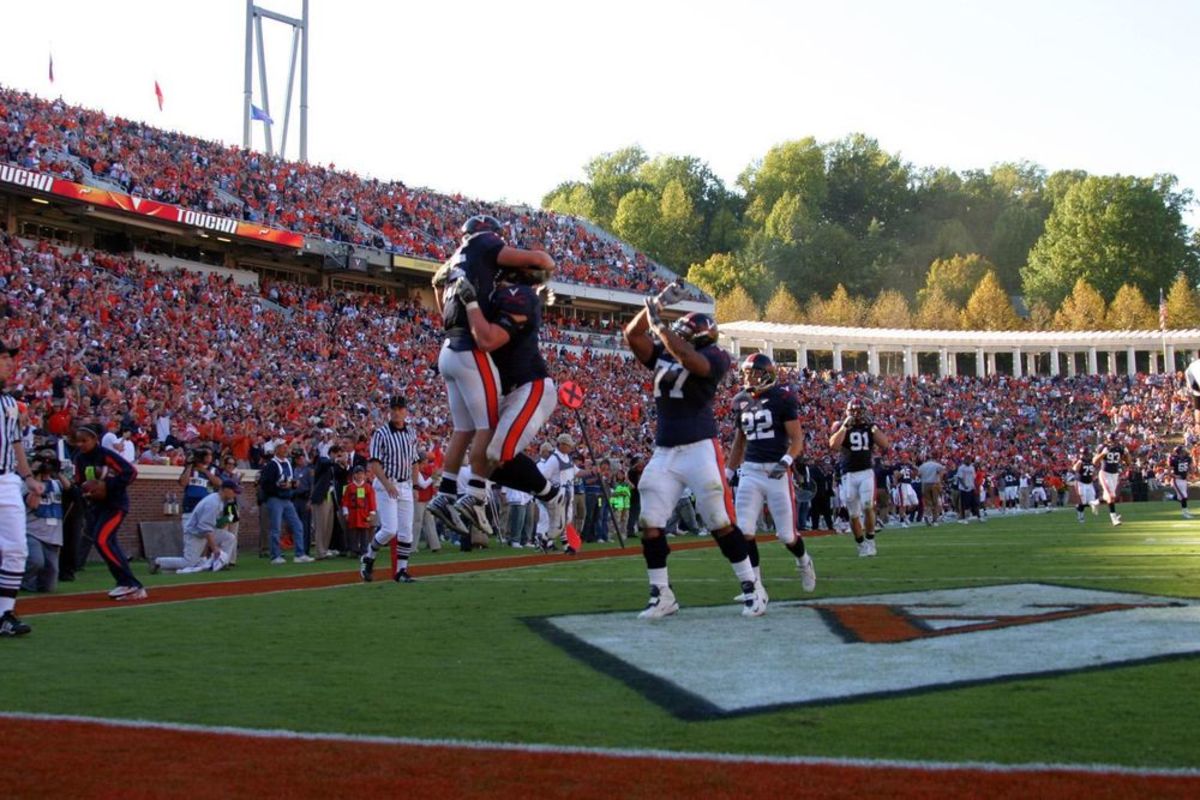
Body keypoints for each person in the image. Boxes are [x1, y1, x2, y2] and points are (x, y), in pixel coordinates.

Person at [623, 283, 765, 620]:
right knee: (650, 520)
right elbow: (632, 335)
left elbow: (691, 360)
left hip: (700, 447)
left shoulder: (716, 356)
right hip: (665, 450)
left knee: (718, 520)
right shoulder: (664, 351)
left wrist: (660, 327)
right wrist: (656, 305)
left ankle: (752, 588)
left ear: (701, 337)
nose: (678, 333)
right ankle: (662, 594)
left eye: (686, 331)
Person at [426, 215, 555, 536]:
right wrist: (474, 303)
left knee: (464, 430)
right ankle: (476, 494)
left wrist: (466, 301)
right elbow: (543, 261)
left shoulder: (459, 261)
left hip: (448, 348)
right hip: (470, 350)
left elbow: (443, 301)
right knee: (486, 427)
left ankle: (446, 492)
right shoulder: (487, 247)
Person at [449, 265, 567, 545]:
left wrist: (472, 303)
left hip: (530, 386)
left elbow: (488, 340)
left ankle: (545, 496)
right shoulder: (498, 299)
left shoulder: (515, 294)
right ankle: (549, 495)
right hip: (507, 392)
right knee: (483, 455)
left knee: (495, 452)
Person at [727, 353, 815, 592]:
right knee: (744, 530)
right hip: (750, 471)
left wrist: (785, 462)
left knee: (787, 536)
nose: (748, 378)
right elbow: (739, 442)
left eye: (753, 373)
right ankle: (755, 586)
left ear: (767, 374)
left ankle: (804, 561)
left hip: (776, 472)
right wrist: (728, 472)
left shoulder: (782, 398)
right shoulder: (741, 400)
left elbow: (797, 439)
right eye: (746, 373)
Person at [73, 422, 146, 600]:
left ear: (94, 439)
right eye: (77, 441)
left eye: (84, 440)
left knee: (102, 540)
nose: (80, 444)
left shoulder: (105, 455)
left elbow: (130, 472)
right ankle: (129, 584)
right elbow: (80, 481)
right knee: (107, 542)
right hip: (97, 506)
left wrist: (107, 485)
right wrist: (86, 492)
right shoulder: (80, 458)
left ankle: (129, 583)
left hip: (115, 504)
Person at [360, 396, 429, 583]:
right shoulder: (381, 433)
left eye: (400, 409)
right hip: (387, 484)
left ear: (406, 411)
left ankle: (401, 571)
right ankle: (369, 556)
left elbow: (414, 462)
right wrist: (387, 484)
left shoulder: (411, 433)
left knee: (406, 531)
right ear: (389, 411)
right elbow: (375, 463)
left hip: (405, 485)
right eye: (394, 409)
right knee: (390, 529)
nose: (397, 412)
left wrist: (415, 485)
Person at [1, 339, 43, 634]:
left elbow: (16, 443)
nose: (10, 363)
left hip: (6, 479)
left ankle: (5, 614)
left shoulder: (10, 403)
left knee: (17, 548)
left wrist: (28, 478)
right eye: (4, 358)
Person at [829, 398, 891, 556]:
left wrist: (872, 427)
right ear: (847, 412)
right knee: (853, 514)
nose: (856, 414)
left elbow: (885, 444)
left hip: (866, 472)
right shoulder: (840, 425)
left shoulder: (870, 427)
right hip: (848, 474)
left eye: (859, 411)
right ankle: (861, 544)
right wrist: (844, 426)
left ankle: (870, 540)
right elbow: (833, 445)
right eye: (853, 411)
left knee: (867, 507)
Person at [152, 479, 239, 573]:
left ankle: (221, 563)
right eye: (234, 491)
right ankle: (158, 561)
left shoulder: (219, 500)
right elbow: (205, 528)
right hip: (195, 533)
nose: (235, 494)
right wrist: (215, 549)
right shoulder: (213, 503)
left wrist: (224, 521)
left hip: (203, 532)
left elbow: (213, 525)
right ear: (226, 489)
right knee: (188, 563)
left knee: (229, 538)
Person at [260, 444, 313, 564]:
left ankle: (299, 554)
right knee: (276, 528)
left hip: (287, 498)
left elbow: (289, 480)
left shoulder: (288, 463)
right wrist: (279, 486)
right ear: (277, 450)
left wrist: (293, 484)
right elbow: (265, 484)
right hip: (275, 498)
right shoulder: (271, 465)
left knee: (298, 525)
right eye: (283, 448)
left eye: (286, 448)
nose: (286, 450)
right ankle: (275, 555)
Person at [22, 455, 65, 593]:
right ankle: (21, 581)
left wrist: (58, 471)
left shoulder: (57, 484)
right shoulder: (25, 485)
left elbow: (71, 490)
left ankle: (35, 587)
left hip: (53, 533)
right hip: (32, 530)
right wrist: (37, 480)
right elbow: (33, 504)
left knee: (50, 579)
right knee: (36, 561)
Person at [1094, 432, 1130, 526]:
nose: (1113, 442)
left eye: (1114, 440)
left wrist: (1127, 454)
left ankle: (1096, 502)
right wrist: (1103, 454)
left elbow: (1128, 463)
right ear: (1107, 440)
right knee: (1110, 496)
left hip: (1114, 475)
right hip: (1105, 473)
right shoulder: (1103, 447)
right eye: (1111, 440)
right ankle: (1114, 519)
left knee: (1111, 497)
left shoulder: (1120, 448)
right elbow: (1094, 461)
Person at [177, 447, 220, 525]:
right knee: (189, 530)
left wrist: (204, 471)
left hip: (207, 508)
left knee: (206, 531)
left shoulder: (213, 469)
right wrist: (189, 465)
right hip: (190, 507)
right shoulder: (190, 468)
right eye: (205, 454)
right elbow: (183, 483)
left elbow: (219, 483)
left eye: (210, 454)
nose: (208, 456)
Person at [340, 464, 376, 557]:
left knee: (364, 533)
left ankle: (364, 550)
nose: (359, 476)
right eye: (357, 474)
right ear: (354, 475)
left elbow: (372, 501)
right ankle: (354, 550)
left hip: (364, 513)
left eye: (361, 473)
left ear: (364, 475)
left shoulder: (368, 487)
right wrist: (346, 512)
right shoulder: (349, 487)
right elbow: (345, 501)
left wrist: (372, 512)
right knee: (353, 532)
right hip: (353, 513)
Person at [1072, 448, 1101, 522]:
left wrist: (1094, 476)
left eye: (1084, 454)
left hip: (1089, 483)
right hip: (1081, 483)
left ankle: (1078, 507)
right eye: (1082, 454)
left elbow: (1093, 470)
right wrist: (1079, 462)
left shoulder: (1091, 461)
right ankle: (1080, 516)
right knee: (1083, 501)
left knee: (1092, 500)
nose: (1083, 455)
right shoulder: (1080, 461)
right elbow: (1074, 469)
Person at [917, 453, 945, 526]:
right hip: (934, 483)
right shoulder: (937, 465)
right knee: (935, 502)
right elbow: (942, 472)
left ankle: (926, 514)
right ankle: (934, 520)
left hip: (925, 484)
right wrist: (939, 481)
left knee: (928, 502)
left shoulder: (922, 466)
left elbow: (919, 475)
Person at [1167, 444, 1193, 519]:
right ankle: (1185, 513)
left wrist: (1189, 473)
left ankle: (1170, 496)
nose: (1185, 451)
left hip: (1184, 481)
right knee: (1184, 497)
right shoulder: (1174, 459)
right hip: (1177, 481)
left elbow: (1191, 469)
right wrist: (1176, 476)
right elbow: (1169, 472)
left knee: (1181, 498)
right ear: (1179, 451)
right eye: (1183, 450)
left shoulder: (1188, 458)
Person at [1183, 349, 1200, 432]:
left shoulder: (1192, 365)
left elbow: (1187, 373)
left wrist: (1190, 386)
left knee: (1198, 408)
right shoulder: (1194, 365)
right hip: (1196, 388)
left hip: (1196, 388)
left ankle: (1198, 424)